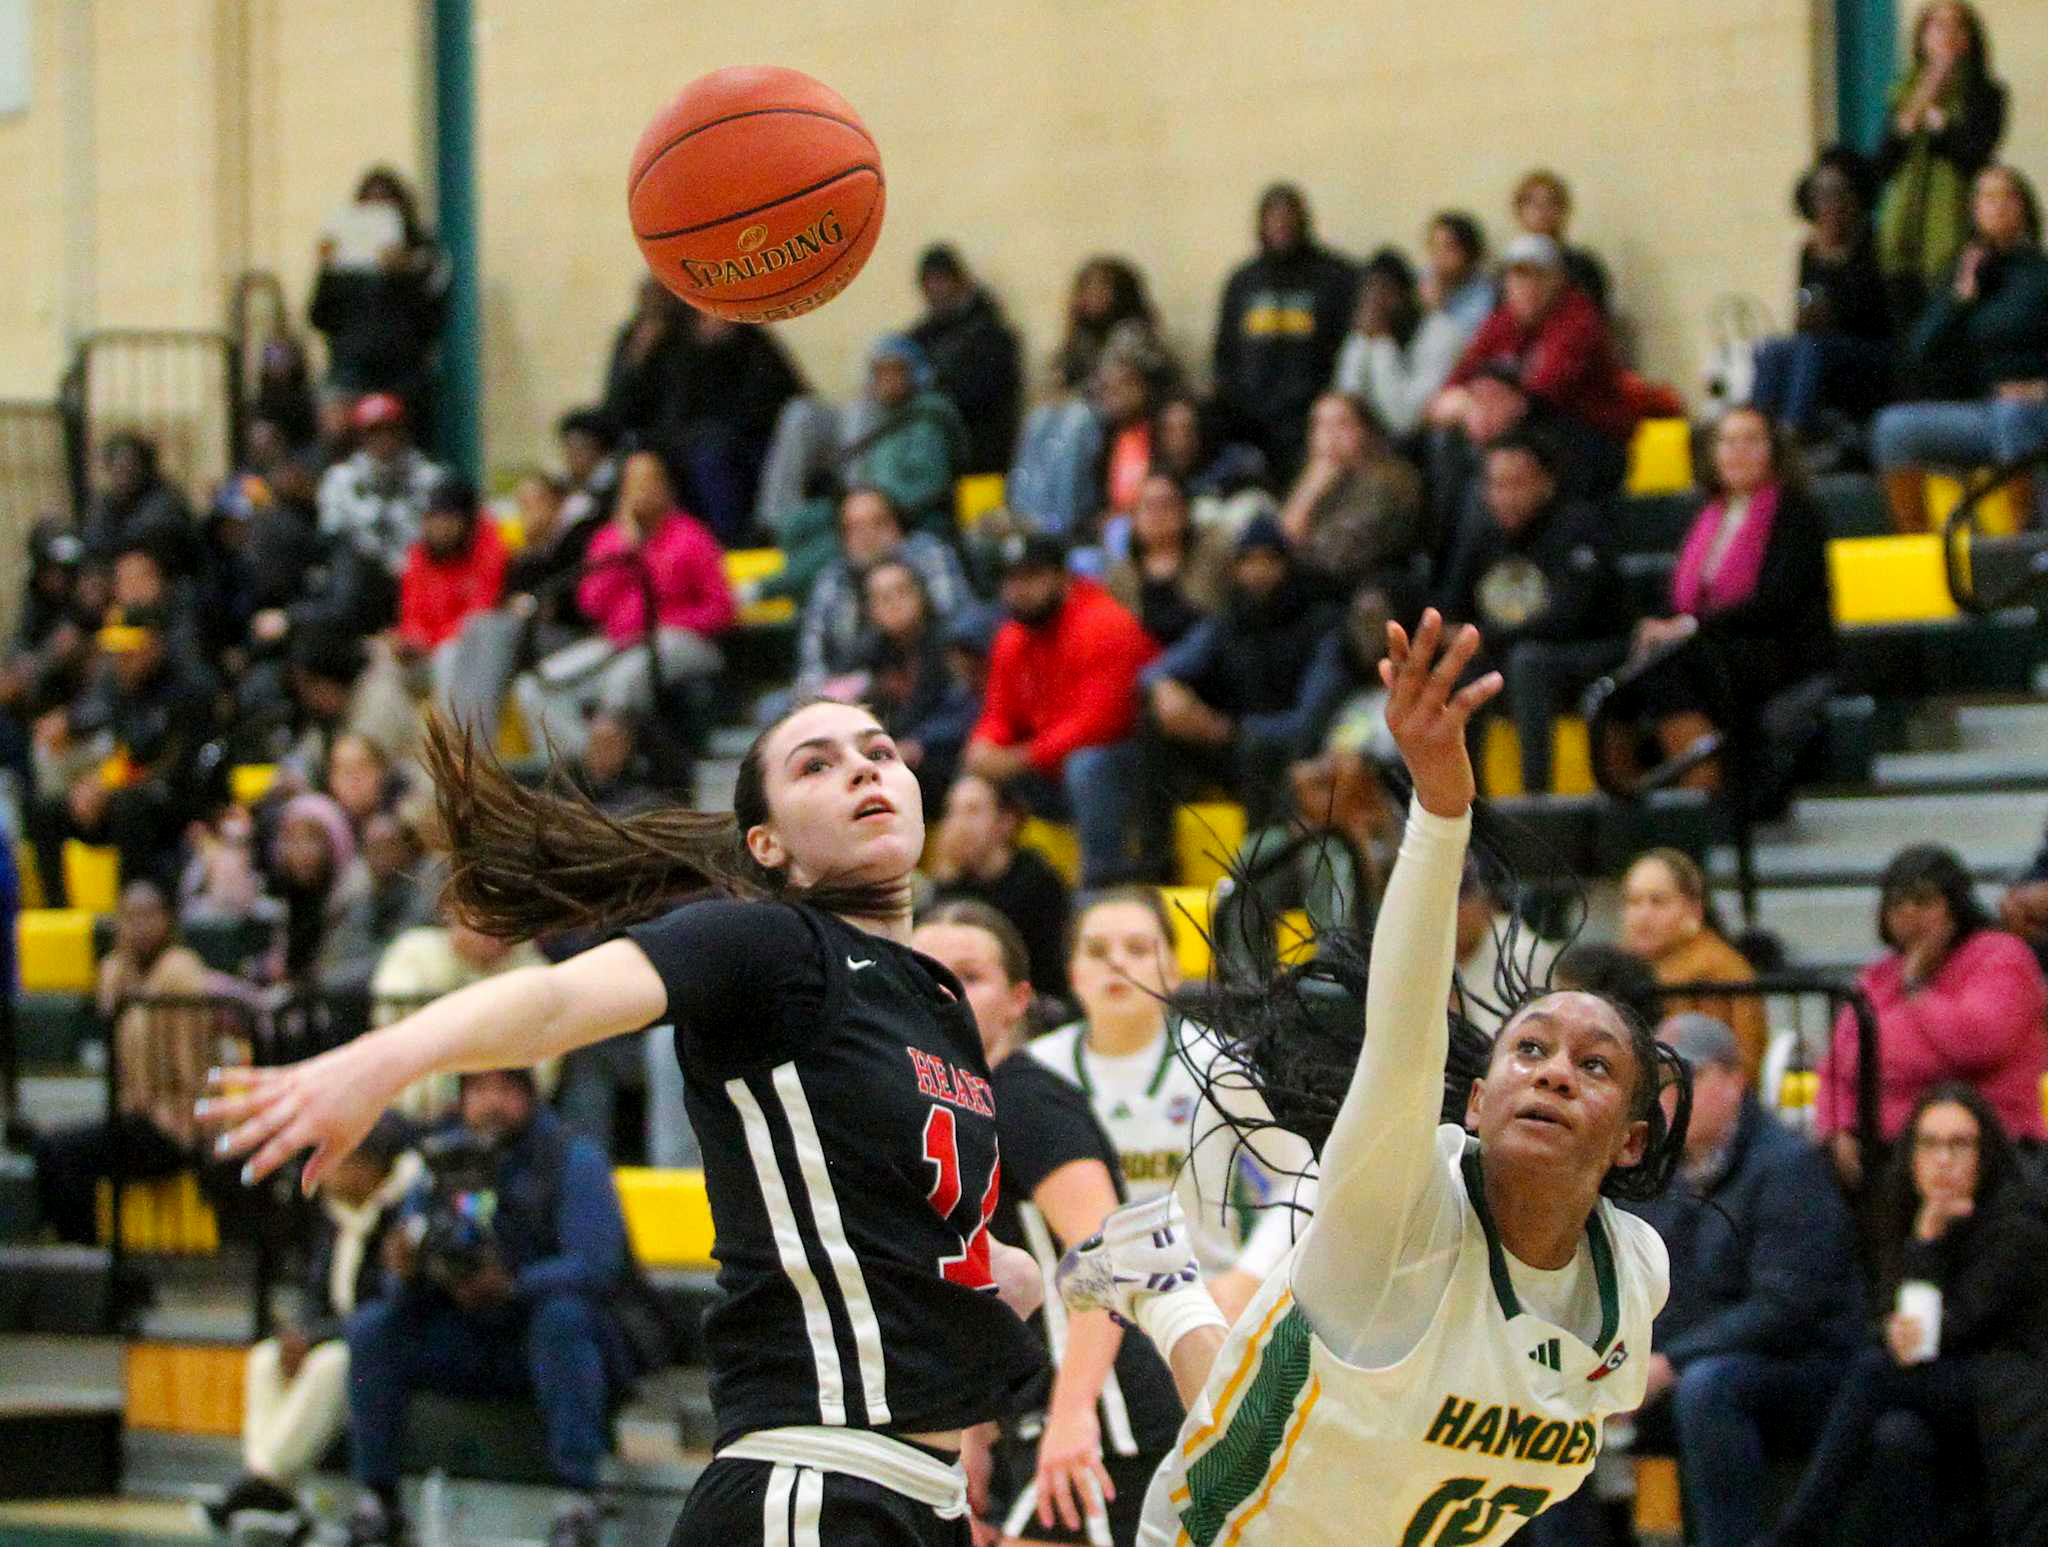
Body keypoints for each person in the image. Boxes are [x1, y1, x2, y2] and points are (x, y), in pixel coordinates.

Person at [204, 697, 1053, 1547]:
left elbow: (883, 1214)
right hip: (818, 1484)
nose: (864, 767)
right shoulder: (770, 945)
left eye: (877, 749)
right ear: (769, 846)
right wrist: (376, 1061)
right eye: (816, 764)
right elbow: (560, 1000)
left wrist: (999, 1272)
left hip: (926, 1499)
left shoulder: (935, 1002)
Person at [1056, 611, 1684, 1547]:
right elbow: (1402, 1031)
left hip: (1343, 1446)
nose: (1554, 1073)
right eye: (1529, 1049)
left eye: (1594, 1066)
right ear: (1475, 1098)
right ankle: (1166, 1286)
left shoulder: (1634, 1272)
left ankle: (1162, 1282)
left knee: (1315, 1392)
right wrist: (1439, 806)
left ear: (1632, 1137)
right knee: (1298, 1386)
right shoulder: (1407, 1211)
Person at [914, 901, 1183, 1547]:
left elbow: (1108, 1250)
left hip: (1107, 1412)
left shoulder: (1026, 1099)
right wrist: (975, 1433)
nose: (943, 994)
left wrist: (1072, 1414)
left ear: (1018, 1000)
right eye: (923, 975)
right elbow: (980, 1291)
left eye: (970, 976)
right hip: (1030, 1410)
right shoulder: (948, 1109)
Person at [342, 1069, 631, 1547]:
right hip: (465, 1334)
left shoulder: (572, 1157)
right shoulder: (440, 1162)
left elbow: (597, 1266)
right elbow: (409, 1265)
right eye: (478, 1090)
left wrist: (514, 1285)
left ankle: (579, 1497)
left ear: (531, 1096)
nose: (491, 1102)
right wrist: (405, 1270)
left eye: (504, 1089)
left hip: (540, 1339)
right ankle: (377, 1497)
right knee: (374, 1327)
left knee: (563, 1318)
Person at [1768, 1083, 2048, 1547]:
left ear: (1986, 1154)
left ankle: (1794, 1535)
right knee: (1897, 1436)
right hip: (1935, 1388)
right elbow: (1886, 1317)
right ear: (1912, 1154)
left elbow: (1948, 1333)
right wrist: (1895, 1326)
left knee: (1874, 1374)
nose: (1944, 1159)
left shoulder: (2017, 1226)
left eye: (1960, 1144)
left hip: (2008, 1390)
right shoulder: (1899, 1211)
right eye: (1930, 1143)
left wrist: (1928, 1243)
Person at [1623, 1014, 1865, 1547]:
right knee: (1559, 1394)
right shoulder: (1655, 1170)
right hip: (1693, 1365)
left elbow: (1786, 1308)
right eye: (1659, 1087)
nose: (1668, 1101)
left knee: (1709, 1389)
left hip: (1801, 1370)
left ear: (1734, 1080)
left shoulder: (1788, 1167)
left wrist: (1669, 1363)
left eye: (1684, 1082)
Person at [1031, 889, 1314, 1325]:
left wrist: (1247, 1276)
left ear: (1173, 969)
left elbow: (1302, 1177)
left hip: (1201, 1309)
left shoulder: (1218, 1061)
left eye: (1139, 949)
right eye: (1097, 951)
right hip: (1082, 1320)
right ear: (1072, 973)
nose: (1118, 963)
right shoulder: (1035, 1071)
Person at [1596, 406, 1833, 800]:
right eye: (1727, 441)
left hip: (1777, 648)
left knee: (1669, 670)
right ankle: (1623, 793)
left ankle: (1706, 791)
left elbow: (1778, 601)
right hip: (1714, 643)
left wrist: (1690, 628)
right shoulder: (1706, 514)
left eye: (1751, 441)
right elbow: (1685, 598)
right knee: (1622, 672)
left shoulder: (1797, 512)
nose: (1737, 451)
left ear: (1774, 450)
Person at [202, 1115, 421, 1540]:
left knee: (333, 1363)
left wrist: (316, 1338)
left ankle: (261, 1484)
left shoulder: (401, 1216)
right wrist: (298, 1333)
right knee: (265, 1358)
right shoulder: (333, 1220)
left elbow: (389, 1305)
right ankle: (267, 1485)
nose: (325, 1170)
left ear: (372, 1167)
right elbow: (316, 1296)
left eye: (338, 1159)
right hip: (333, 1336)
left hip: (384, 1349)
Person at [1818, 842, 2048, 1188]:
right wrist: (1836, 1127)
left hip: (1993, 1150)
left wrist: (1916, 989)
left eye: (1923, 902)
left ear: (1955, 906)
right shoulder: (1876, 976)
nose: (1908, 913)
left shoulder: (2001, 957)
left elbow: (1978, 1044)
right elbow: (1838, 1066)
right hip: (1886, 1151)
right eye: (1896, 904)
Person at [24, 880, 228, 1244]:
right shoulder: (118, 971)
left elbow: (195, 1063)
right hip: (135, 1117)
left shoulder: (181, 972)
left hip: (176, 1126)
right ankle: (83, 1260)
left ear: (167, 920)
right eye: (130, 917)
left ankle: (92, 1264)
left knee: (65, 1153)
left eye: (149, 915)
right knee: (48, 1146)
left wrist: (206, 1127)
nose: (140, 926)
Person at [1136, 516, 1338, 864]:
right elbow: (1153, 673)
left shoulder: (1321, 626)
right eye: (1248, 562)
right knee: (1153, 723)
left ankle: (1259, 873)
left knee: (1260, 748)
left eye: (1268, 561)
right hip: (1232, 746)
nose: (1258, 573)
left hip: (1290, 755)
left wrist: (1229, 730)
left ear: (1287, 565)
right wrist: (1165, 690)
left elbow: (1309, 722)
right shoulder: (1228, 621)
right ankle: (1155, 864)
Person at [1429, 434, 1623, 794]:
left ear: (1546, 483)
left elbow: (1568, 618)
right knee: (1461, 672)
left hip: (1591, 654)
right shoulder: (1483, 536)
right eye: (1497, 485)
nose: (1506, 496)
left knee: (1528, 662)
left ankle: (1536, 800)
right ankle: (1464, 801)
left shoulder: (1577, 526)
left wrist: (1485, 636)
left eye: (1517, 483)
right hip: (1512, 656)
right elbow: (1450, 608)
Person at [965, 533, 1158, 887]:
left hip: (1131, 765)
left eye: (1031, 578)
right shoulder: (1012, 635)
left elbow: (1101, 723)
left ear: (1061, 576)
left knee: (1088, 766)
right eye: (1011, 580)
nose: (1019, 590)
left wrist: (1019, 758)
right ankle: (978, 886)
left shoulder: (1104, 623)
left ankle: (1103, 886)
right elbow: (999, 713)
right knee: (972, 772)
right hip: (1048, 764)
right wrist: (984, 745)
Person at [514, 450, 733, 762]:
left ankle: (605, 770)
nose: (641, 491)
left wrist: (666, 622)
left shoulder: (691, 536)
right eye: (633, 483)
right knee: (535, 686)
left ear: (667, 488)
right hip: (617, 643)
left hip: (684, 643)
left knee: (626, 676)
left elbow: (722, 610)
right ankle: (585, 770)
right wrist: (625, 547)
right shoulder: (610, 539)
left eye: (649, 481)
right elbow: (591, 605)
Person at [1872, 163, 2048, 532]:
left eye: (2007, 196)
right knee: (1893, 429)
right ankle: (1921, 548)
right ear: (1973, 209)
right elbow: (1920, 351)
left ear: (2024, 207)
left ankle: (2023, 544)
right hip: (1979, 411)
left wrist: (2039, 388)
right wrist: (1959, 299)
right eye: (1986, 196)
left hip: (2033, 409)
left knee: (2012, 417)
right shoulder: (1961, 273)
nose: (1997, 205)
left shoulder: (2039, 274)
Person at [29, 604, 223, 899]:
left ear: (154, 644)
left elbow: (176, 764)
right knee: (46, 812)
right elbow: (117, 745)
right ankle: (57, 908)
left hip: (178, 800)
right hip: (125, 790)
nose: (122, 660)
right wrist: (94, 785)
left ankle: (130, 907)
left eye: (130, 651)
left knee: (132, 808)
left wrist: (108, 790)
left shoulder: (190, 688)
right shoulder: (118, 687)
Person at [603, 280, 804, 544]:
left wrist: (723, 346)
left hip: (736, 438)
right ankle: (639, 547)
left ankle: (729, 543)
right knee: (633, 462)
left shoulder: (737, 329)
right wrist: (638, 358)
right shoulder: (643, 339)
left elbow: (784, 394)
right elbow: (616, 412)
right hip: (667, 440)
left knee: (709, 454)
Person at [1436, 235, 1636, 496]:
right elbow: (1455, 383)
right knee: (1444, 442)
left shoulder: (1578, 318)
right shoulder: (1502, 320)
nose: (1526, 286)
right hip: (1523, 428)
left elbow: (1544, 391)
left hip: (1586, 436)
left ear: (1558, 281)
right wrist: (1471, 404)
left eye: (1537, 276)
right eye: (1517, 277)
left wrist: (1482, 405)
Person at [1872, 1, 2009, 321]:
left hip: (1957, 226)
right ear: (1922, 37)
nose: (1946, 34)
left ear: (1970, 37)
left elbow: (1975, 155)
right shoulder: (1902, 94)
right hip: (1905, 232)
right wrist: (1921, 100)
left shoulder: (1986, 92)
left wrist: (1941, 123)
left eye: (1956, 26)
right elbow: (1884, 164)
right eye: (1937, 26)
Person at [1212, 184, 1358, 479]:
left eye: (1288, 217)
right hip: (1249, 417)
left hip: (1311, 414)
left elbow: (1346, 348)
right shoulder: (1243, 281)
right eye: (1273, 218)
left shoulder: (1336, 276)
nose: (1281, 225)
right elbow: (1225, 352)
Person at [1749, 149, 1894, 441]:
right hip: (1823, 345)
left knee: (1812, 348)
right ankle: (1758, 434)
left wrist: (1835, 268)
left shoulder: (1874, 244)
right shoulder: (1810, 251)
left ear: (1854, 199)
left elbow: (1875, 314)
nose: (1829, 206)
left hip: (1871, 349)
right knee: (1771, 349)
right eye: (1821, 197)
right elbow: (1803, 309)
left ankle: (1792, 436)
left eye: (1836, 195)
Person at [792, 486, 969, 699]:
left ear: (897, 524)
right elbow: (812, 660)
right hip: (852, 690)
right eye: (855, 528)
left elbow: (958, 628)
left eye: (878, 522)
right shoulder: (832, 580)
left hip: (934, 680)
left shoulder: (930, 555)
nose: (868, 535)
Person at [308, 167, 450, 425]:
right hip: (350, 366)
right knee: (335, 425)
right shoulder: (344, 258)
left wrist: (401, 274)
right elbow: (319, 317)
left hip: (403, 370)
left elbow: (433, 318)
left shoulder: (421, 253)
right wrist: (328, 271)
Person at [1335, 218, 1492, 440]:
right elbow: (1346, 397)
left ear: (1407, 296)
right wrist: (1362, 342)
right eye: (1369, 293)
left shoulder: (1442, 334)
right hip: (1366, 438)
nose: (1376, 302)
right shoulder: (1366, 326)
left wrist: (1382, 342)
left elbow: (1404, 420)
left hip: (1418, 444)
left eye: (1386, 292)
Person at [1619, 850, 1768, 1083]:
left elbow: (1743, 1062)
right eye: (1633, 901)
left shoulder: (1723, 970)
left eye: (1657, 901)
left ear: (1694, 908)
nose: (1642, 915)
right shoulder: (1618, 968)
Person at [928, 772, 1072, 1000]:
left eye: (972, 811)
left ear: (1006, 821)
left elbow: (1047, 972)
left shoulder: (1036, 881)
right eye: (952, 812)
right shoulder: (950, 884)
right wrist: (944, 880)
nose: (959, 824)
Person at [849, 558, 975, 813]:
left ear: (922, 596)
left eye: (902, 591)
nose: (894, 603)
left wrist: (920, 742)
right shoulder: (867, 656)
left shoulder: (953, 646)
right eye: (882, 597)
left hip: (945, 755)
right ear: (869, 609)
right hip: (890, 754)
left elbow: (969, 709)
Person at [1275, 392, 1425, 600]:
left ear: (1366, 431)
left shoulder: (1387, 481)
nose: (1330, 436)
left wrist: (1310, 494)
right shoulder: (1320, 478)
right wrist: (1310, 490)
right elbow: (1276, 545)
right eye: (1320, 425)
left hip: (1366, 589)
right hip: (1315, 590)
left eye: (1341, 424)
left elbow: (1337, 557)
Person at [907, 243, 1023, 476]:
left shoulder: (992, 334)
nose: (935, 290)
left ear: (960, 281)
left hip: (982, 455)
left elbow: (986, 395)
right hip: (936, 457)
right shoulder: (920, 336)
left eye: (941, 280)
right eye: (928, 283)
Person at [315, 393, 447, 577]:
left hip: (417, 572)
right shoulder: (340, 479)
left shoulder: (431, 478)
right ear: (361, 437)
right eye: (374, 432)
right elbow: (332, 533)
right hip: (362, 576)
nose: (384, 439)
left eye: (391, 430)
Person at [1103, 472, 1231, 649]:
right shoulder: (1121, 576)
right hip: (1144, 662)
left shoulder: (1211, 558)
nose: (1158, 514)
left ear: (1184, 510)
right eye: (1149, 506)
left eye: (1167, 504)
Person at [395, 476, 506, 661]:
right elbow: (411, 613)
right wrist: (413, 640)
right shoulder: (418, 554)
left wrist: (432, 641)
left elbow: (479, 617)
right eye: (433, 519)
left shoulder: (489, 550)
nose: (440, 528)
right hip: (423, 652)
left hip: (469, 652)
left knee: (449, 655)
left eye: (448, 520)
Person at [1054, 256, 1179, 396]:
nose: (1091, 295)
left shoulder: (1132, 332)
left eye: (1101, 288)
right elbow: (1061, 379)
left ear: (1121, 294)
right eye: (1086, 288)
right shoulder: (1082, 337)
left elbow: (1106, 385)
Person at [81, 432, 201, 578]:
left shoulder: (165, 502)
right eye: (118, 467)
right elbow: (94, 543)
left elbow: (144, 539)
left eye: (130, 467)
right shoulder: (106, 503)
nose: (124, 474)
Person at [1508, 169, 1611, 316]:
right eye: (1532, 203)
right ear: (1519, 209)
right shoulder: (1508, 265)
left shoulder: (1582, 265)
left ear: (1563, 209)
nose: (1540, 210)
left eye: (1549, 202)